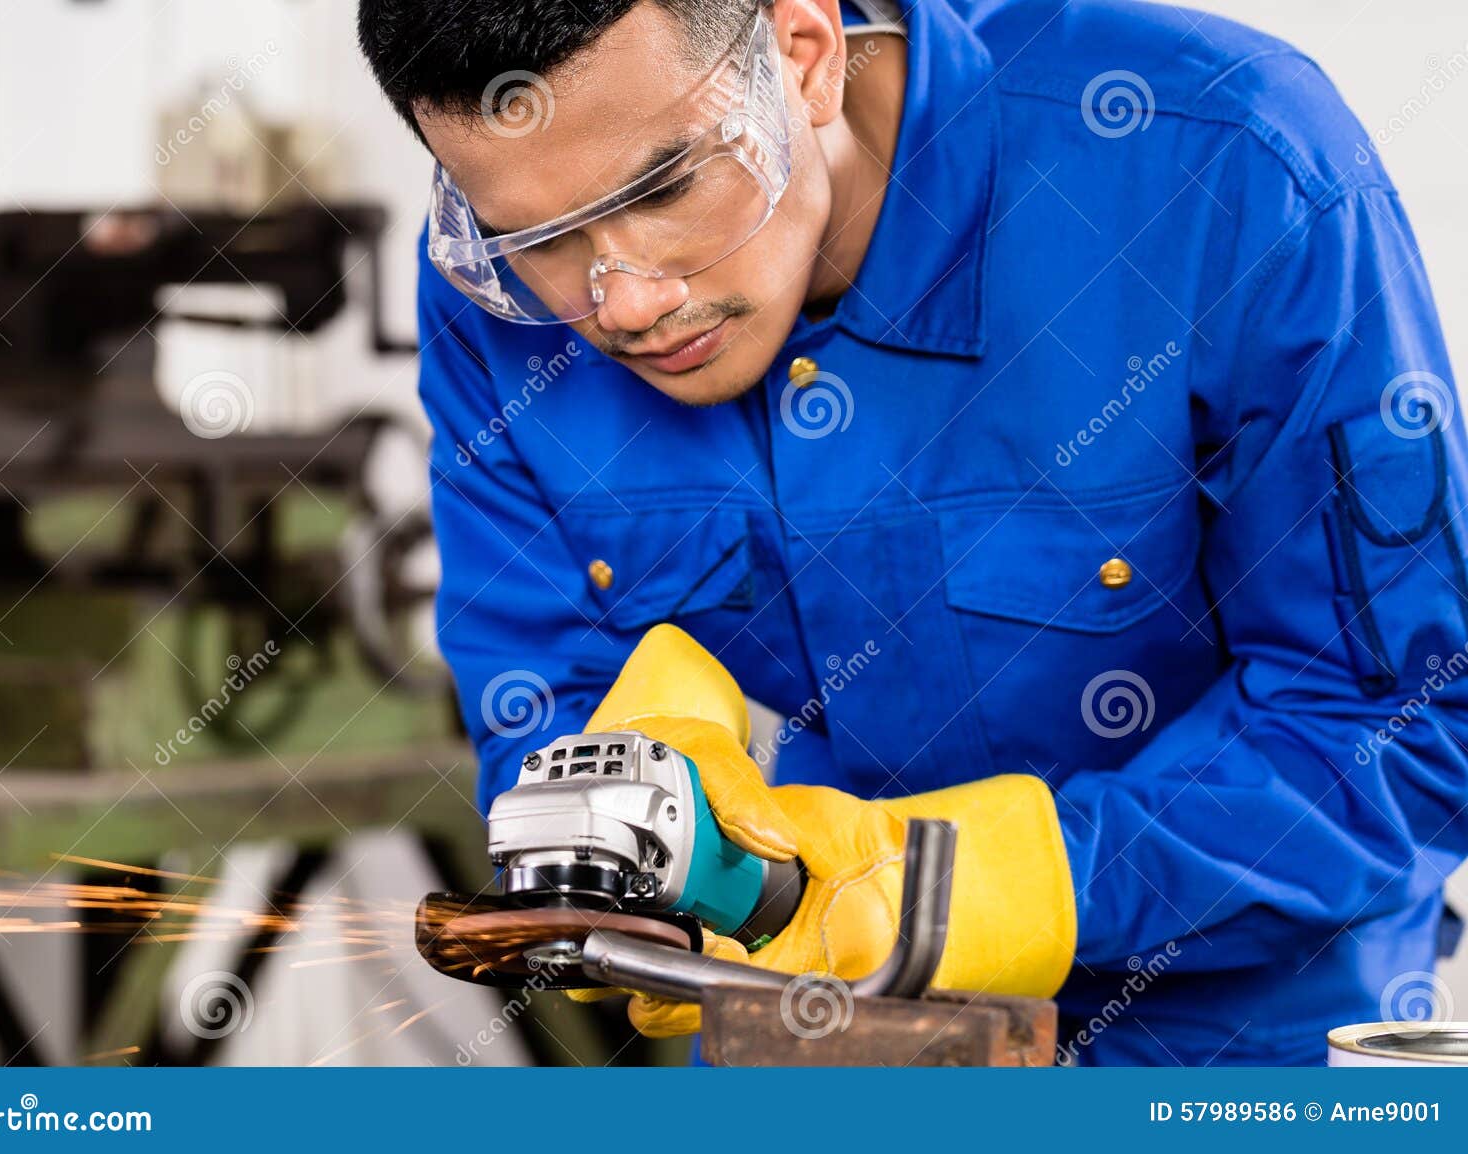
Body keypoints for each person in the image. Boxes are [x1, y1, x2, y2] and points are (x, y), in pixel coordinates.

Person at [357, 0, 1468, 1064]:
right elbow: (547, 710)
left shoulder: (1225, 161)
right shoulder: (496, 293)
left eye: (665, 186)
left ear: (803, 53)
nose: (624, 300)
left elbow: (1408, 723)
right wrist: (626, 844)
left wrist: (977, 891)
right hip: (822, 1034)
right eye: (539, 236)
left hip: (1240, 1050)